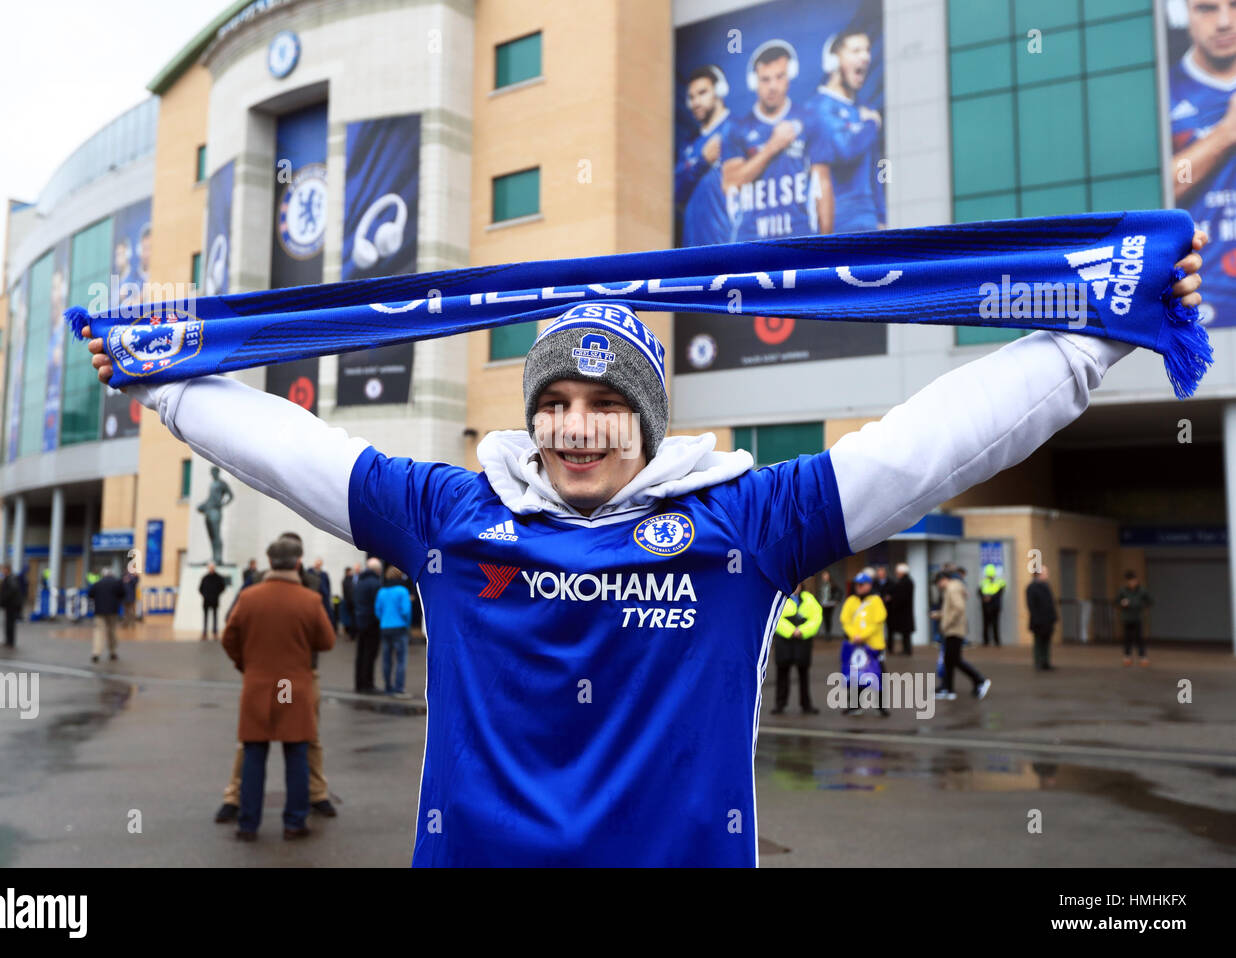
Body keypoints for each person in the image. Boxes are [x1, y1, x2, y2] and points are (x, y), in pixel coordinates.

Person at [85, 238, 1206, 866]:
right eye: (556, 402)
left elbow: (931, 443)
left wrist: (1100, 326)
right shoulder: (448, 516)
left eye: (605, 403)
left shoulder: (744, 526)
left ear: (646, 422)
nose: (577, 425)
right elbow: (291, 447)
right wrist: (160, 374)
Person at [216, 531, 337, 823]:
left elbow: (229, 632)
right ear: (298, 560)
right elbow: (327, 635)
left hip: (277, 675)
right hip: (297, 675)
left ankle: (308, 796)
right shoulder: (302, 587)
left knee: (270, 742)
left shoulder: (305, 583)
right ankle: (287, 814)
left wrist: (245, 664)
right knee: (296, 742)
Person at [1171, 0, 1236, 325]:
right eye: (1208, 8)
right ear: (1186, 12)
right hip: (1201, 303)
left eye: (1235, 5)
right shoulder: (1161, 91)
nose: (1225, 21)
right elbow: (1156, 189)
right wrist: (1226, 133)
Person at [722, 40, 817, 240]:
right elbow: (731, 182)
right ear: (753, 81)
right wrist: (772, 147)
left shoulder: (809, 120)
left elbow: (822, 183)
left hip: (800, 240)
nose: (773, 86)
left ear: (790, 76)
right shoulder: (736, 128)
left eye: (779, 77)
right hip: (750, 244)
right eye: (765, 79)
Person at [803, 29, 885, 235]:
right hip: (838, 223)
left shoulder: (864, 111)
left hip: (868, 221)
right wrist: (871, 126)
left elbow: (874, 171)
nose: (865, 57)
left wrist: (881, 217)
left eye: (867, 50)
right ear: (833, 60)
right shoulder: (818, 108)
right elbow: (845, 149)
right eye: (856, 50)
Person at [676, 65, 733, 247]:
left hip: (729, 247)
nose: (696, 102)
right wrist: (702, 162)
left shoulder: (738, 131)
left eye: (702, 93)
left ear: (719, 91)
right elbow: (676, 193)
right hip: (692, 249)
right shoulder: (689, 144)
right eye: (691, 97)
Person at [932, 569, 990, 701]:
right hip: (954, 629)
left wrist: (946, 623)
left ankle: (979, 680)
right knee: (949, 660)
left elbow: (958, 608)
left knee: (954, 660)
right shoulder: (954, 588)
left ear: (943, 580)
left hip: (954, 630)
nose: (938, 586)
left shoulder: (952, 589)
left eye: (938, 583)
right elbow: (952, 609)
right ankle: (948, 689)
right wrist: (940, 615)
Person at [839, 569, 888, 716]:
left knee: (879, 674)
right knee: (855, 675)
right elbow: (845, 620)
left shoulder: (876, 601)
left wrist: (863, 635)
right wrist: (854, 635)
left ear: (869, 585)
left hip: (873, 646)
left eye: (862, 584)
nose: (859, 587)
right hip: (856, 646)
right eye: (857, 584)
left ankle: (880, 705)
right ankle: (855, 705)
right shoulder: (851, 601)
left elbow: (877, 622)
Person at [770, 582, 822, 715]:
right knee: (782, 674)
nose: (796, 587)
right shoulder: (780, 597)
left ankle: (806, 705)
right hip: (784, 642)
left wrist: (803, 631)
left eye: (798, 584)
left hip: (802, 642)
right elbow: (774, 618)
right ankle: (780, 704)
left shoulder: (809, 599)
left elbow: (816, 617)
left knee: (804, 675)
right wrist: (791, 631)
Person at [376, 566, 413, 698]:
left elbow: (378, 610)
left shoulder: (382, 591)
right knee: (401, 659)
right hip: (400, 627)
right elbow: (406, 611)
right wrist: (407, 624)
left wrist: (384, 620)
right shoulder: (402, 591)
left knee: (386, 658)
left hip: (385, 627)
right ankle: (399, 687)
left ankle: (387, 686)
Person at [354, 558, 383, 693]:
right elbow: (377, 604)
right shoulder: (376, 583)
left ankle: (359, 683)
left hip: (360, 621)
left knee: (360, 654)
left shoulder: (360, 582)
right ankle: (368, 684)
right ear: (377, 570)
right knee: (370, 654)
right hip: (372, 622)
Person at [89, 567, 125, 663]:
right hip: (113, 611)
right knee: (112, 631)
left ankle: (96, 653)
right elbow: (122, 594)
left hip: (99, 611)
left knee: (98, 631)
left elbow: (90, 594)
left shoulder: (97, 583)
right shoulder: (117, 583)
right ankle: (112, 651)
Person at [1118, 570, 1154, 667]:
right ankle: (1127, 657)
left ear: (1136, 580)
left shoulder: (1142, 591)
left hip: (1137, 617)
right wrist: (1122, 603)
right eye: (1130, 581)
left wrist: (1139, 605)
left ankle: (1143, 657)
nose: (1132, 583)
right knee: (1127, 638)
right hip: (1127, 617)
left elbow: (1150, 601)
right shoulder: (1123, 591)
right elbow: (1117, 601)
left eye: (1133, 580)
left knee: (1139, 638)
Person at [1025, 565, 1057, 671]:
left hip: (1048, 620)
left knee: (1046, 642)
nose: (1047, 575)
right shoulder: (1032, 588)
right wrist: (1037, 619)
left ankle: (1045, 662)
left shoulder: (1046, 586)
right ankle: (1038, 662)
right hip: (1038, 621)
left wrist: (1053, 617)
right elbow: (1032, 606)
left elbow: (1050, 604)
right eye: (1045, 572)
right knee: (1039, 642)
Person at [886, 562, 915, 655]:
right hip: (904, 612)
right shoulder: (906, 581)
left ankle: (907, 650)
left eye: (897, 572)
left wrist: (892, 598)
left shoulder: (905, 582)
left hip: (904, 612)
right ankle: (906, 650)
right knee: (905, 633)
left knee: (905, 633)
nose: (896, 574)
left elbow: (901, 597)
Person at [198, 562, 228, 640]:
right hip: (206, 600)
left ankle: (215, 632)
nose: (211, 569)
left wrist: (217, 594)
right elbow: (200, 589)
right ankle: (204, 632)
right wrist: (205, 595)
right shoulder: (205, 578)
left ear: (214, 568)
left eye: (212, 567)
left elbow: (223, 587)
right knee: (205, 617)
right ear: (208, 568)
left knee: (215, 616)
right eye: (210, 567)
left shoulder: (219, 577)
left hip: (215, 600)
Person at [979, 562, 1006, 647]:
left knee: (993, 624)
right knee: (987, 624)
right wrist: (985, 597)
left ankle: (995, 641)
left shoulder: (1000, 582)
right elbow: (979, 592)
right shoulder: (984, 582)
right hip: (987, 606)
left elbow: (1000, 592)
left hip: (994, 606)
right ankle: (987, 641)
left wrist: (989, 597)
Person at [0, 570, 23, 648]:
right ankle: (8, 641)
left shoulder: (11, 579)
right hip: (10, 605)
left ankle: (10, 641)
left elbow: (12, 590)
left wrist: (4, 597)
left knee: (10, 624)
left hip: (11, 605)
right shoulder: (11, 578)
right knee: (9, 624)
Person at [816, 569, 840, 639]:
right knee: (825, 618)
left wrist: (836, 600)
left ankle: (828, 633)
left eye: (826, 575)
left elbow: (839, 592)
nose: (824, 577)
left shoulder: (832, 584)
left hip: (830, 604)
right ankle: (826, 633)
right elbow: (820, 594)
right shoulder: (821, 585)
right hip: (823, 604)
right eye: (823, 576)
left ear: (829, 576)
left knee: (828, 618)